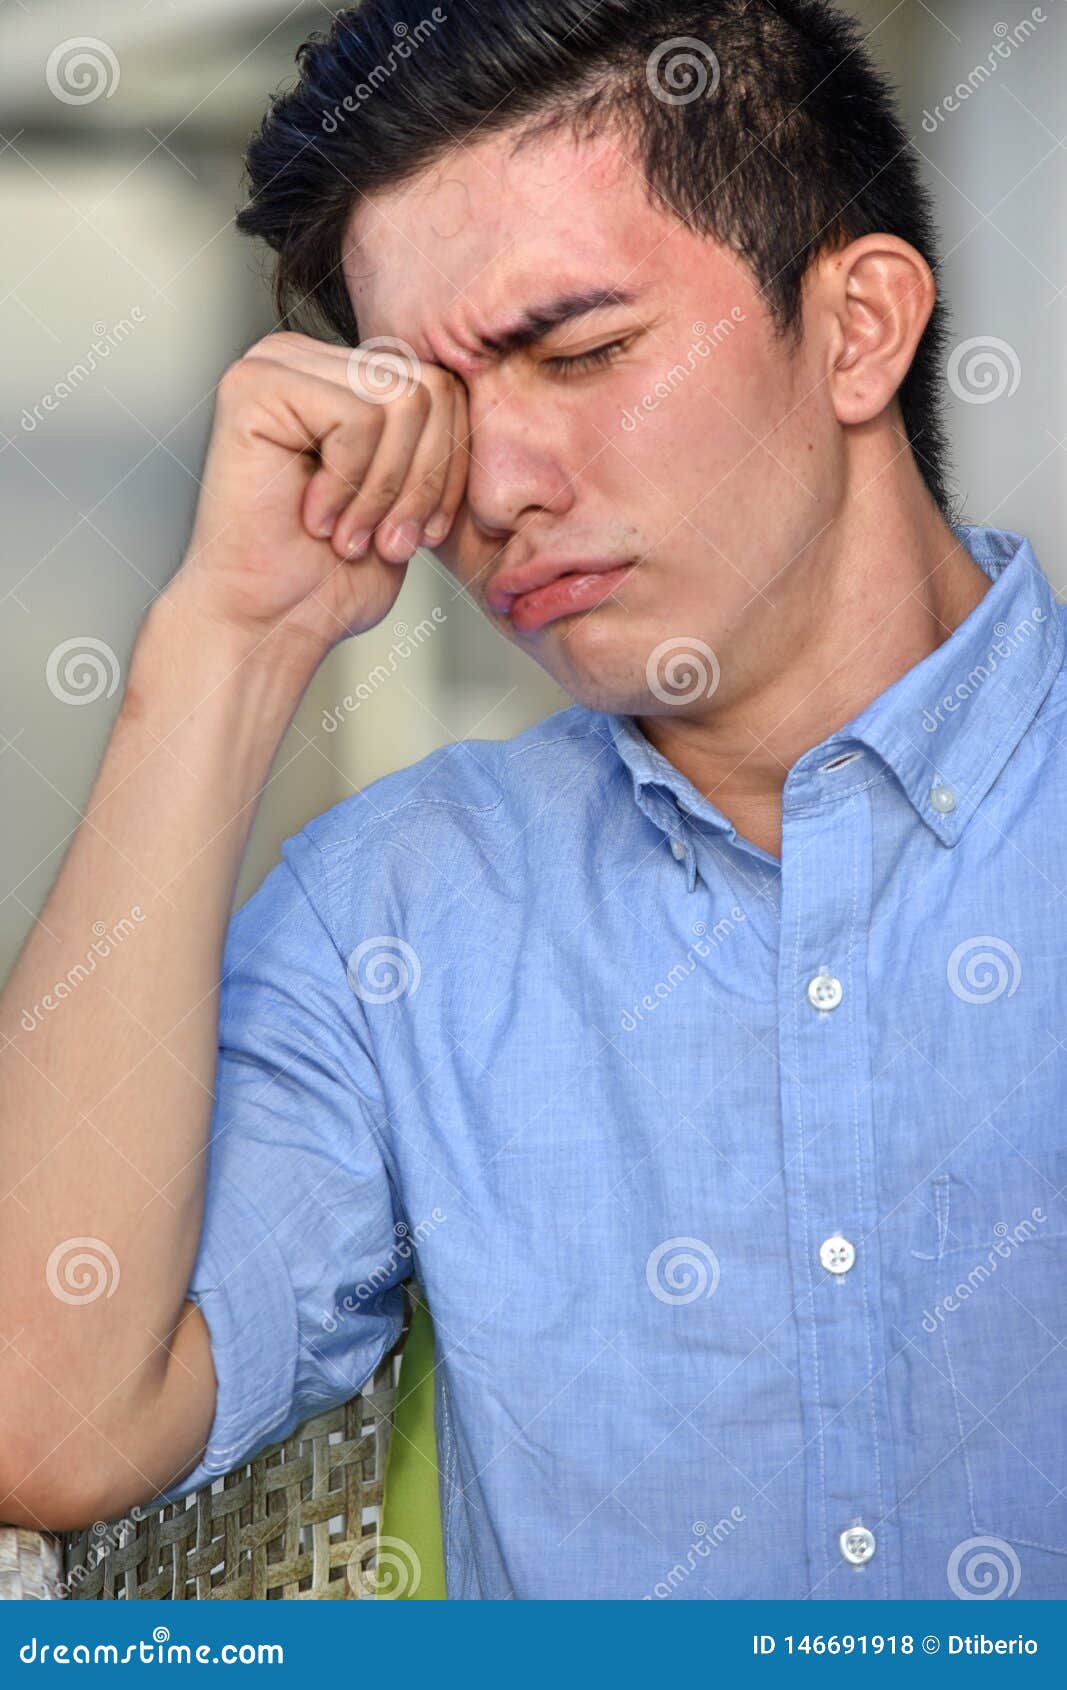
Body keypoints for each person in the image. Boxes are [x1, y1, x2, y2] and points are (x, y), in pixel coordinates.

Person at [2, 0, 1064, 1601]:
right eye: (427, 409)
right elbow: (46, 1419)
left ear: (859, 328)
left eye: (578, 354)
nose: (493, 491)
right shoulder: (402, 908)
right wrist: (222, 644)